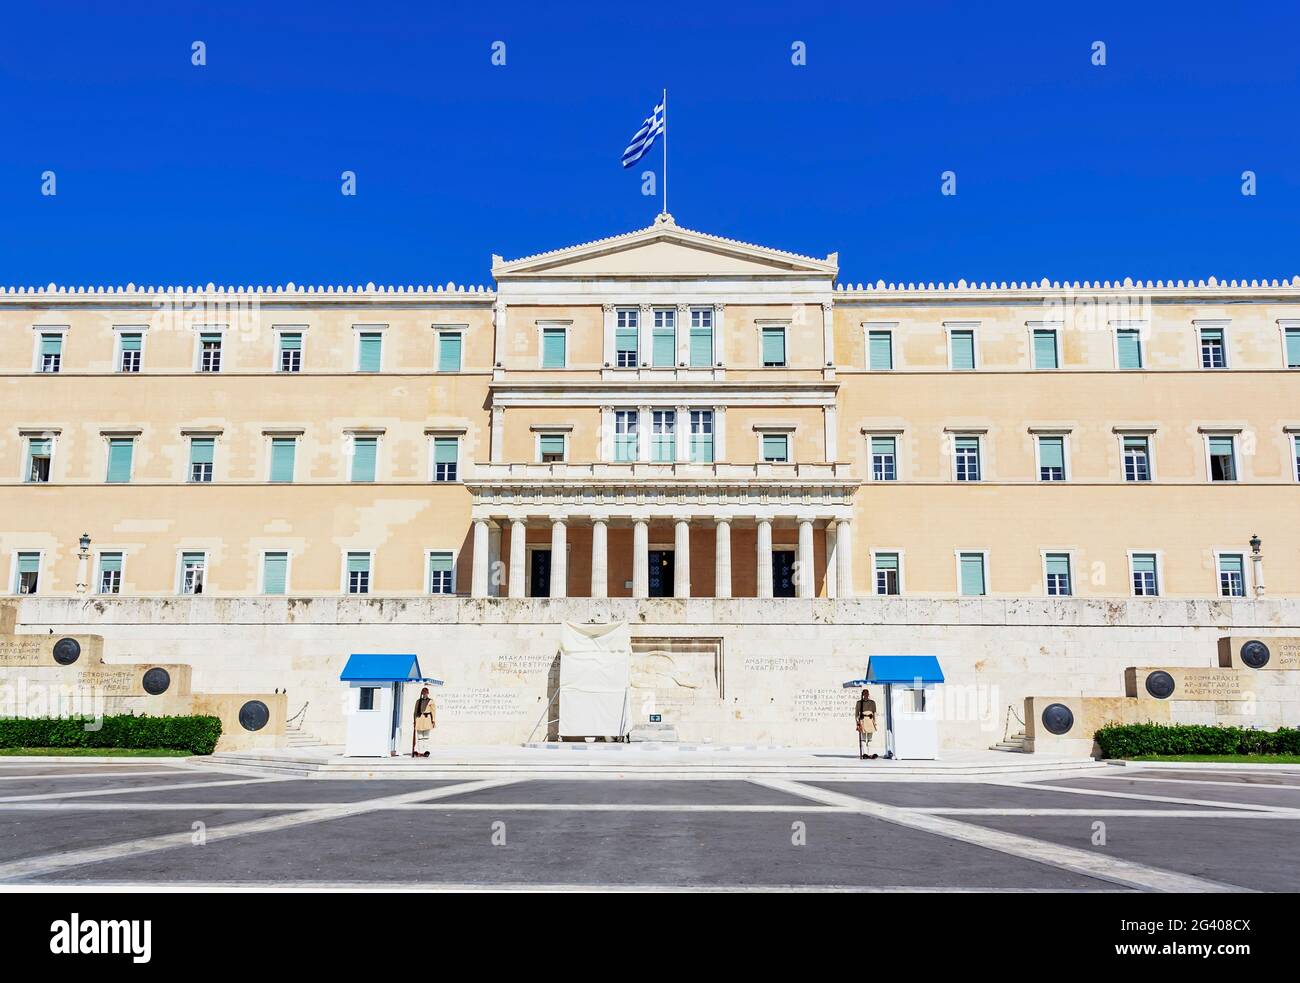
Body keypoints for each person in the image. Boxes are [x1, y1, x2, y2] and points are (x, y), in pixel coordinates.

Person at [412, 686, 436, 757]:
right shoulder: (418, 701)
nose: (424, 694)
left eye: (426, 692)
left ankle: (426, 750)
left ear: (428, 693)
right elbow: (415, 712)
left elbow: (433, 711)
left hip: (427, 719)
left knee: (426, 736)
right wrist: (414, 720)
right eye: (423, 692)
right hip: (419, 719)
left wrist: (433, 720)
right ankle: (420, 751)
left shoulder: (431, 701)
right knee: (420, 737)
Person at [855, 688, 877, 760]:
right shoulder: (859, 703)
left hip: (870, 721)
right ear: (863, 694)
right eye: (864, 693)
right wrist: (857, 722)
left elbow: (874, 713)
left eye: (867, 693)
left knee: (870, 739)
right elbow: (856, 714)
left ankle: (869, 753)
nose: (866, 695)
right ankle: (865, 754)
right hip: (863, 721)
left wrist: (875, 722)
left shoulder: (872, 702)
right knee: (863, 739)